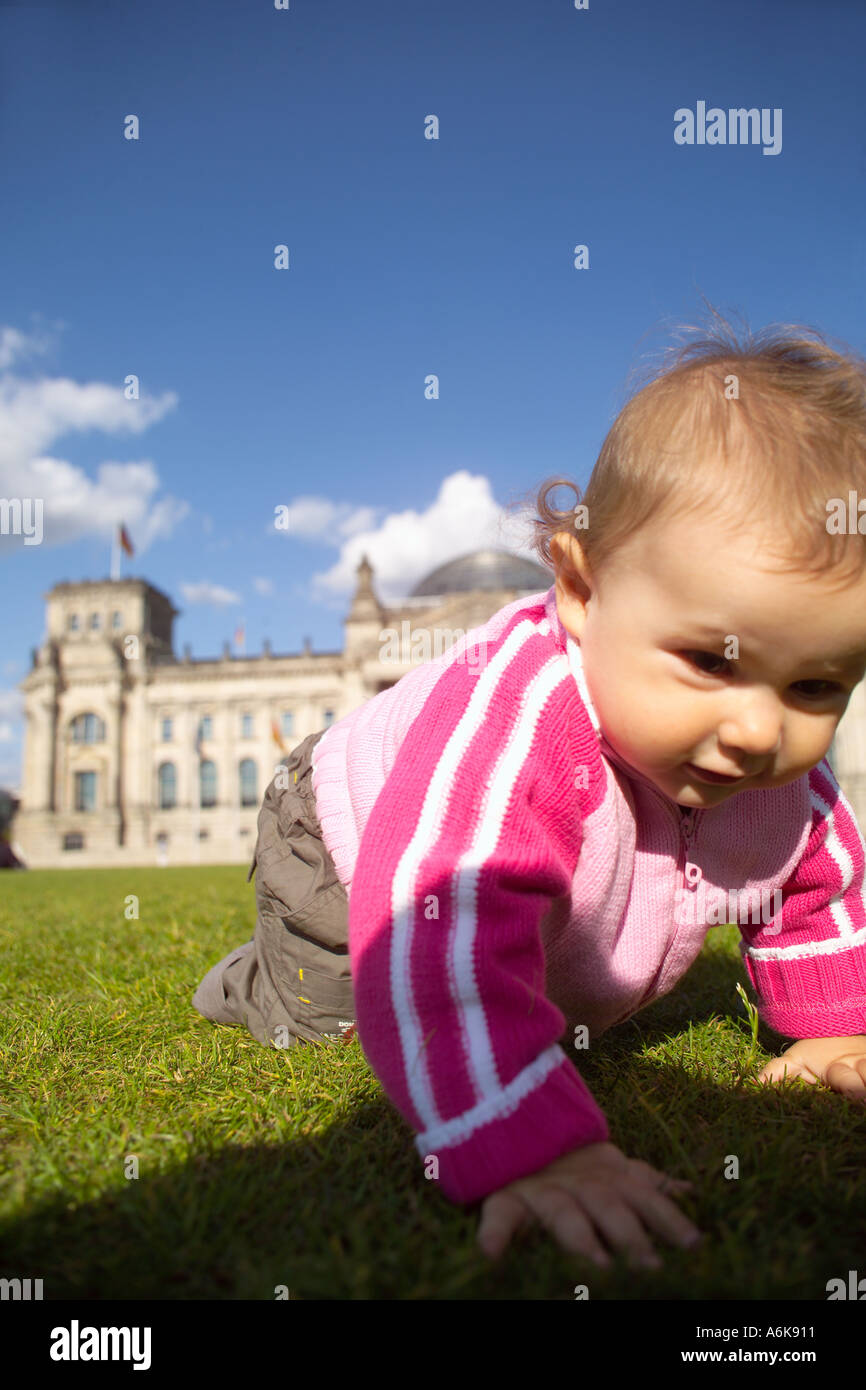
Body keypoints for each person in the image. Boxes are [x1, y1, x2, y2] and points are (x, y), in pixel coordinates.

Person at [193, 307, 866, 1272]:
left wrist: (833, 1026)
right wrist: (535, 1146)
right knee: (348, 1011)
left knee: (540, 968)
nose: (761, 732)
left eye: (817, 686)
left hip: (527, 864)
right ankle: (253, 977)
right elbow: (439, 901)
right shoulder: (515, 715)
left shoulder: (761, 752)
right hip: (351, 853)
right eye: (710, 663)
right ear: (581, 597)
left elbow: (818, 884)